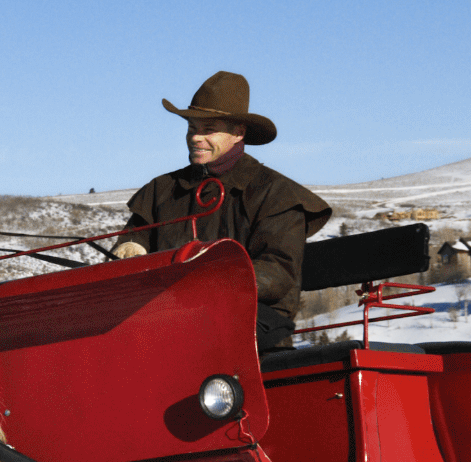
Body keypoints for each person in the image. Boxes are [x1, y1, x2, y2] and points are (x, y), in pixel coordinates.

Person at [111, 71, 331, 349]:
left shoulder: (276, 193)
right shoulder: (161, 191)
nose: (195, 138)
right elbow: (132, 242)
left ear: (238, 133)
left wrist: (203, 283)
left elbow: (277, 274)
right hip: (166, 321)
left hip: (253, 327)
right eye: (192, 128)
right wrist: (131, 247)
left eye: (208, 129)